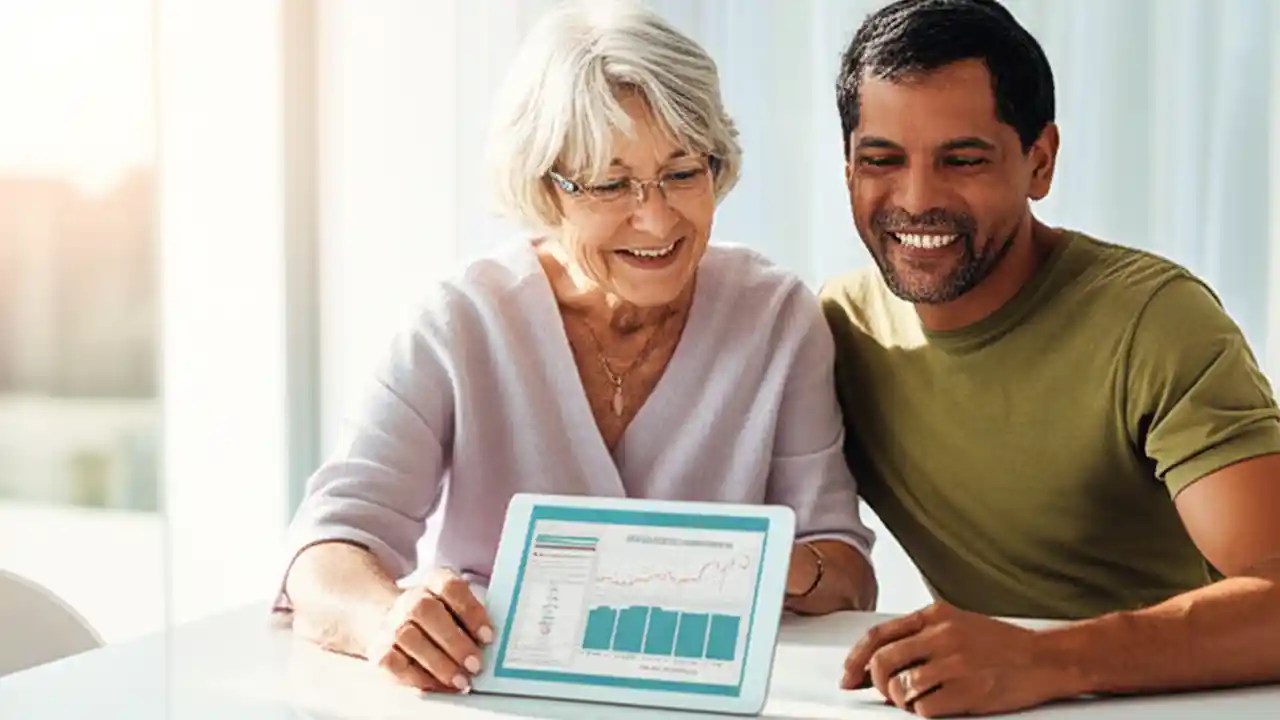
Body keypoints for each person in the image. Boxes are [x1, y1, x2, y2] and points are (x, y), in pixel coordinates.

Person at [279, 0, 877, 697]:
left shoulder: (776, 316)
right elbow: (325, 552)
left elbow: (846, 572)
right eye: (609, 183)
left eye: (683, 173)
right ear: (546, 187)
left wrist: (756, 565)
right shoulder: (461, 321)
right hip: (490, 694)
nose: (654, 217)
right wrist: (387, 619)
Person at [820, 0, 1280, 716]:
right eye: (882, 160)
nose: (917, 199)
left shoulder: (1154, 321)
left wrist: (1042, 660)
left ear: (1040, 161)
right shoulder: (833, 332)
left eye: (963, 159)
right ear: (848, 169)